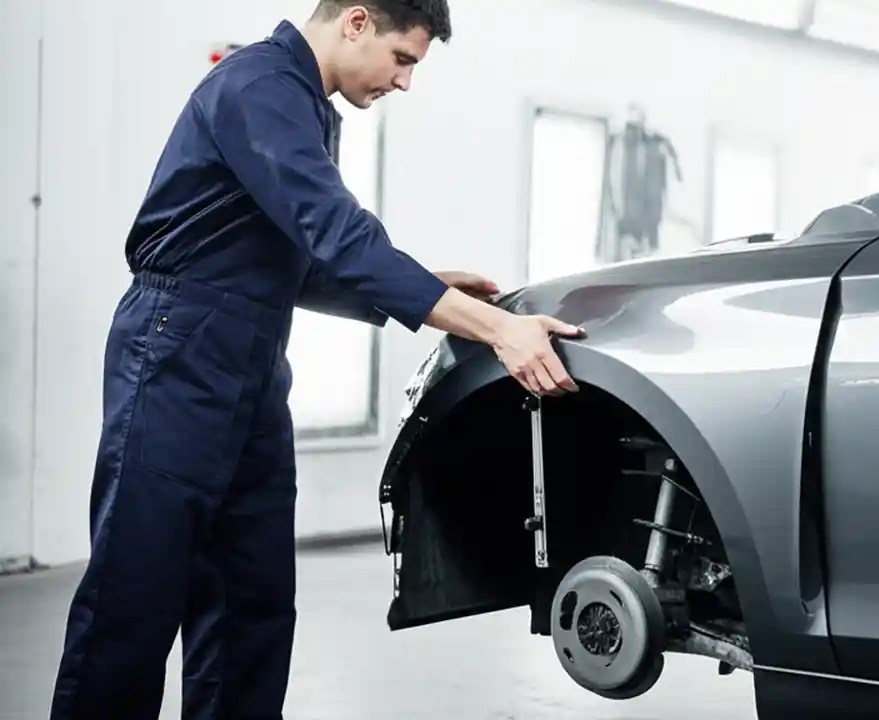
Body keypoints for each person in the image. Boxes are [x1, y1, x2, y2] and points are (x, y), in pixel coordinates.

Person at [49, 2, 582, 718]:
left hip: (254, 364)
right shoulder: (257, 87)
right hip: (177, 351)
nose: (405, 84)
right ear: (357, 22)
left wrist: (430, 284)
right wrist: (497, 330)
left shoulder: (306, 105)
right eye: (404, 60)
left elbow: (303, 265)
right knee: (134, 596)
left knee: (253, 604)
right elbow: (337, 234)